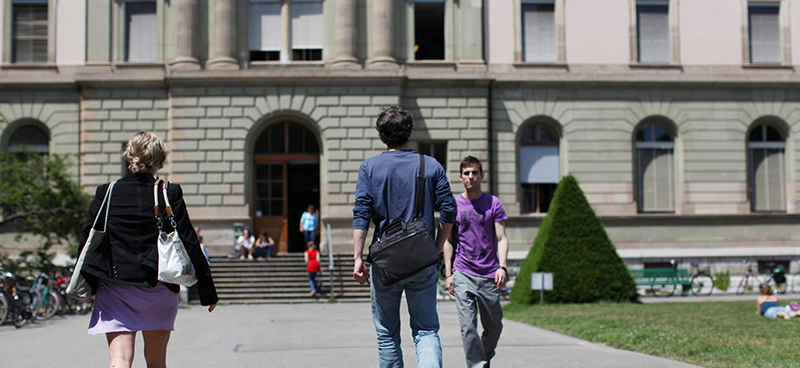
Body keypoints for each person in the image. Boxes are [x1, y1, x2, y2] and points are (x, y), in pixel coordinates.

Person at [77, 131, 217, 368]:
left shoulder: (107, 193)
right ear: (159, 159)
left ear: (129, 156)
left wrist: (87, 281)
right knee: (156, 362)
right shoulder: (168, 193)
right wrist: (207, 289)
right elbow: (189, 241)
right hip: (159, 286)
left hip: (115, 287)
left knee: (119, 359)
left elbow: (88, 240)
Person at [352, 106, 456, 368]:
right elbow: (449, 211)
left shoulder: (370, 168)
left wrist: (357, 258)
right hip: (422, 261)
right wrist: (436, 248)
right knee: (426, 331)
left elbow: (362, 214)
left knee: (387, 334)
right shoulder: (430, 165)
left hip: (385, 263)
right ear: (409, 132)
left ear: (381, 135)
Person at [443, 156, 509, 368]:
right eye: (467, 173)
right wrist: (449, 273)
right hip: (463, 271)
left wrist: (502, 267)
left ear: (482, 175)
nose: (471, 177)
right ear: (461, 177)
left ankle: (484, 357)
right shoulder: (453, 204)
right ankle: (477, 365)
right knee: (468, 326)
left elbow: (502, 238)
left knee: (494, 327)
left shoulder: (493, 203)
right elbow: (448, 241)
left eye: (475, 172)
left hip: (489, 273)